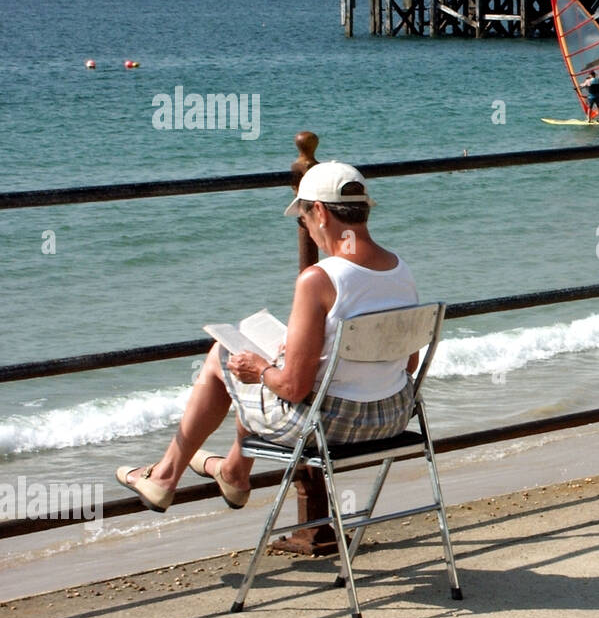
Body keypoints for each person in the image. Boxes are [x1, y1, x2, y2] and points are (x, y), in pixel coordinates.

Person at [115, 162, 419, 512]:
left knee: (223, 356)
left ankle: (165, 477)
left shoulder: (318, 279)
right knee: (263, 379)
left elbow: (293, 389)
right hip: (392, 419)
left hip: (331, 429)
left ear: (319, 211)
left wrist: (260, 368)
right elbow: (408, 362)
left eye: (302, 218)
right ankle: (232, 471)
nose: (305, 227)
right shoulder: (399, 269)